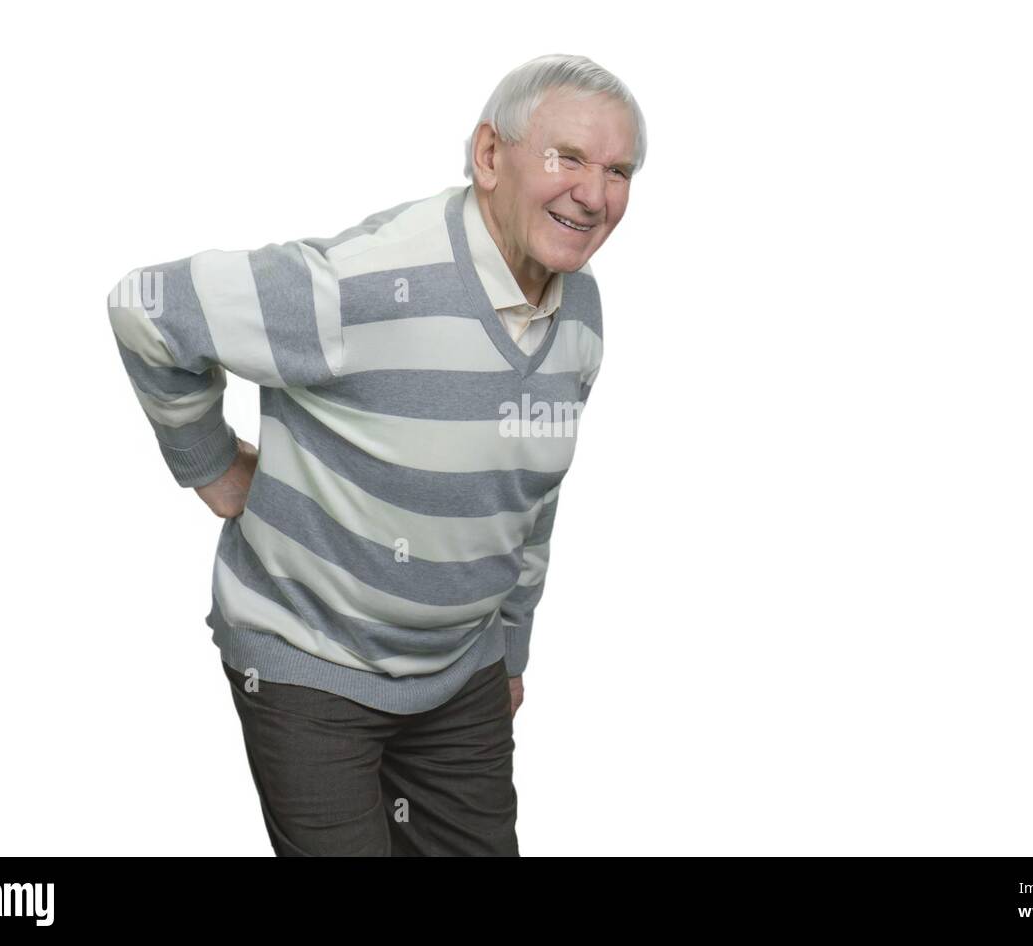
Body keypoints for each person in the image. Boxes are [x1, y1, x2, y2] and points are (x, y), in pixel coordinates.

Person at [106, 53, 645, 856]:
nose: (595, 195)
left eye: (619, 171)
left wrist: (510, 651)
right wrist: (212, 467)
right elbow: (146, 308)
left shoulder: (583, 309)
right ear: (491, 156)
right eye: (566, 157)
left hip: (462, 671)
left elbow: (529, 497)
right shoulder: (359, 284)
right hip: (308, 663)